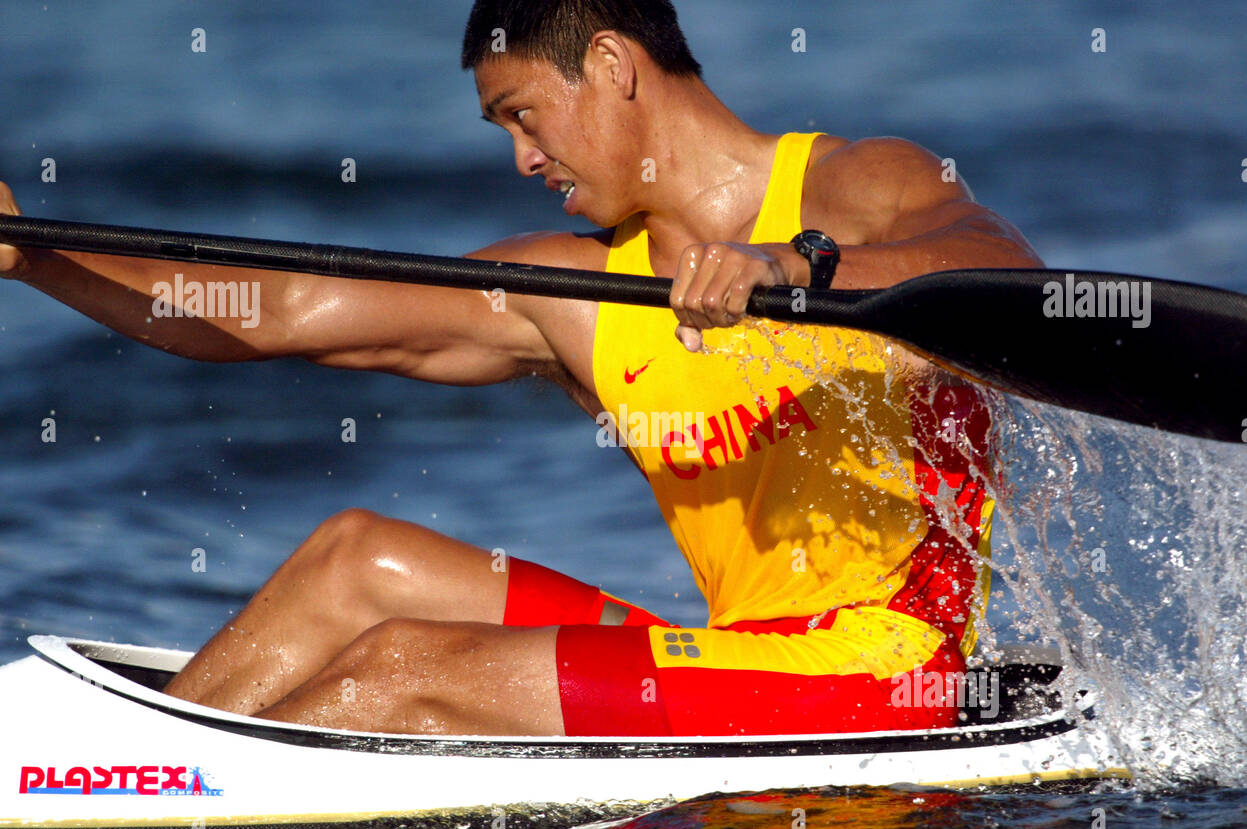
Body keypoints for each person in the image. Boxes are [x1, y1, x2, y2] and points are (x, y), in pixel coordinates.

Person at [0, 0, 1041, 737]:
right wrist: (35, 254)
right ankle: (156, 774)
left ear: (611, 65)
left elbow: (1008, 277)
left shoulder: (860, 183)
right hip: (741, 658)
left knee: (405, 666)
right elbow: (271, 309)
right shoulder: (570, 287)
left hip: (888, 669)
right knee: (352, 559)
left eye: (522, 114)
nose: (520, 162)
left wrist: (797, 267)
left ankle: (166, 819)